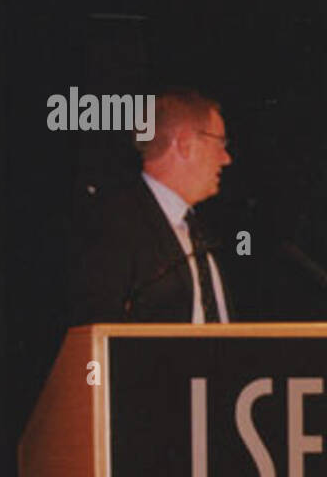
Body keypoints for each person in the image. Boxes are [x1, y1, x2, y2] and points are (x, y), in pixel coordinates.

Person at [69, 88, 235, 325]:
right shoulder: (115, 224)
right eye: (220, 143)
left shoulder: (201, 232)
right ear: (185, 144)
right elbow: (98, 331)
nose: (226, 158)